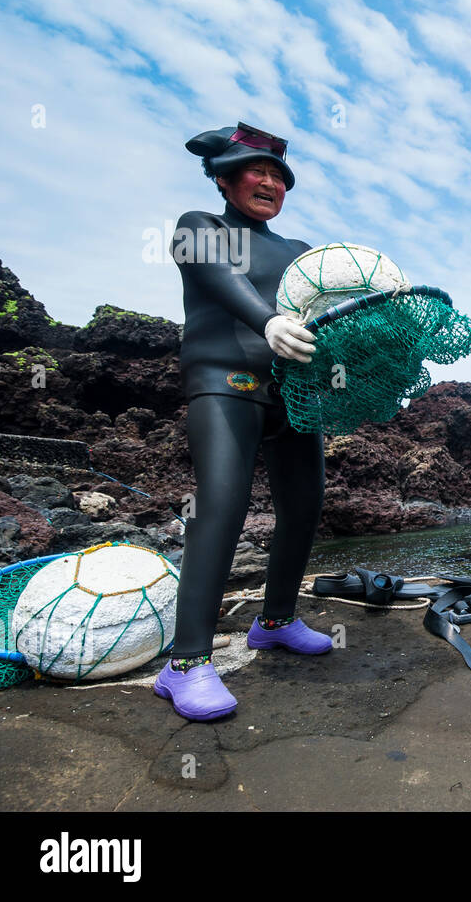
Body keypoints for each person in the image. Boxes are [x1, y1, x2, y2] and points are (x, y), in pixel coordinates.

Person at [154, 122, 332, 722]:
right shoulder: (199, 226)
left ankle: (276, 620)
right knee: (222, 504)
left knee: (305, 504)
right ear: (224, 178)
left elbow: (323, 309)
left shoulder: (300, 252)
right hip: (224, 381)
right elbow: (219, 277)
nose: (270, 183)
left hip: (292, 392)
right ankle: (184, 664)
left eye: (280, 176)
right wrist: (267, 321)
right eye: (257, 171)